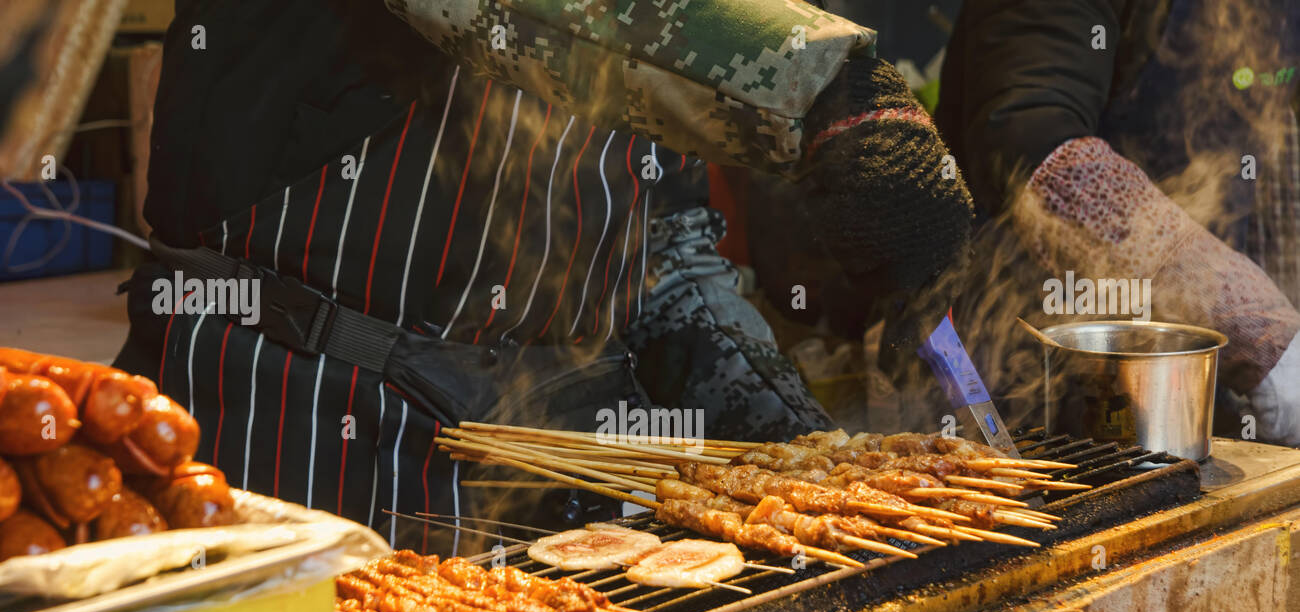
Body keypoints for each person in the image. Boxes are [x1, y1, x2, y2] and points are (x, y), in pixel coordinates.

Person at [113, 0, 973, 549]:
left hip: (524, 480)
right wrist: (828, 94)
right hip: (297, 442)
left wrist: (801, 447)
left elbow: (664, 249)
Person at [936, 0, 1300, 446]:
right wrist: (1259, 329)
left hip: (1192, 393)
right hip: (1023, 389)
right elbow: (1032, 146)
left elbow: (1270, 149)